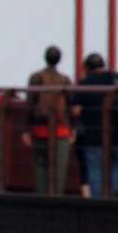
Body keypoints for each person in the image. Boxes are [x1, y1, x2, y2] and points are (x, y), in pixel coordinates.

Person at [71, 53, 118, 197]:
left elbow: (75, 110)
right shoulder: (117, 79)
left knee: (95, 170)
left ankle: (98, 204)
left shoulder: (85, 84)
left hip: (94, 136)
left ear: (86, 68)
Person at [22, 45, 73, 196]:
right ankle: (56, 201)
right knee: (59, 171)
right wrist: (73, 129)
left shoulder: (36, 77)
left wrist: (26, 130)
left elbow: (30, 104)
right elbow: (70, 106)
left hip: (39, 130)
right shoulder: (65, 80)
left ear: (45, 58)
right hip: (61, 131)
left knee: (40, 170)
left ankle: (41, 200)